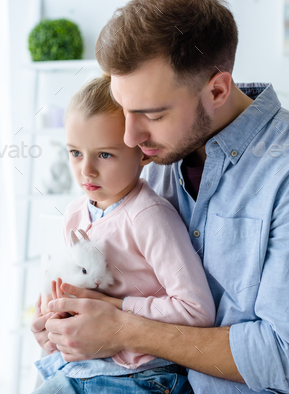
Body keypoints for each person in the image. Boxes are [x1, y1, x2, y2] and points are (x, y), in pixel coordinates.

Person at [31, 0, 289, 392]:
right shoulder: (153, 163)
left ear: (218, 89)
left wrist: (121, 329)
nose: (129, 138)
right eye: (124, 110)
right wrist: (68, 325)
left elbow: (286, 359)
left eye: (153, 115)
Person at [32, 75, 216, 393]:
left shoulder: (149, 217)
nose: (86, 170)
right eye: (75, 152)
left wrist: (113, 306)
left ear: (143, 153)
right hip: (84, 366)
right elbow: (71, 287)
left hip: (143, 374)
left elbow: (196, 310)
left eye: (104, 155)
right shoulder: (76, 213)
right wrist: (51, 322)